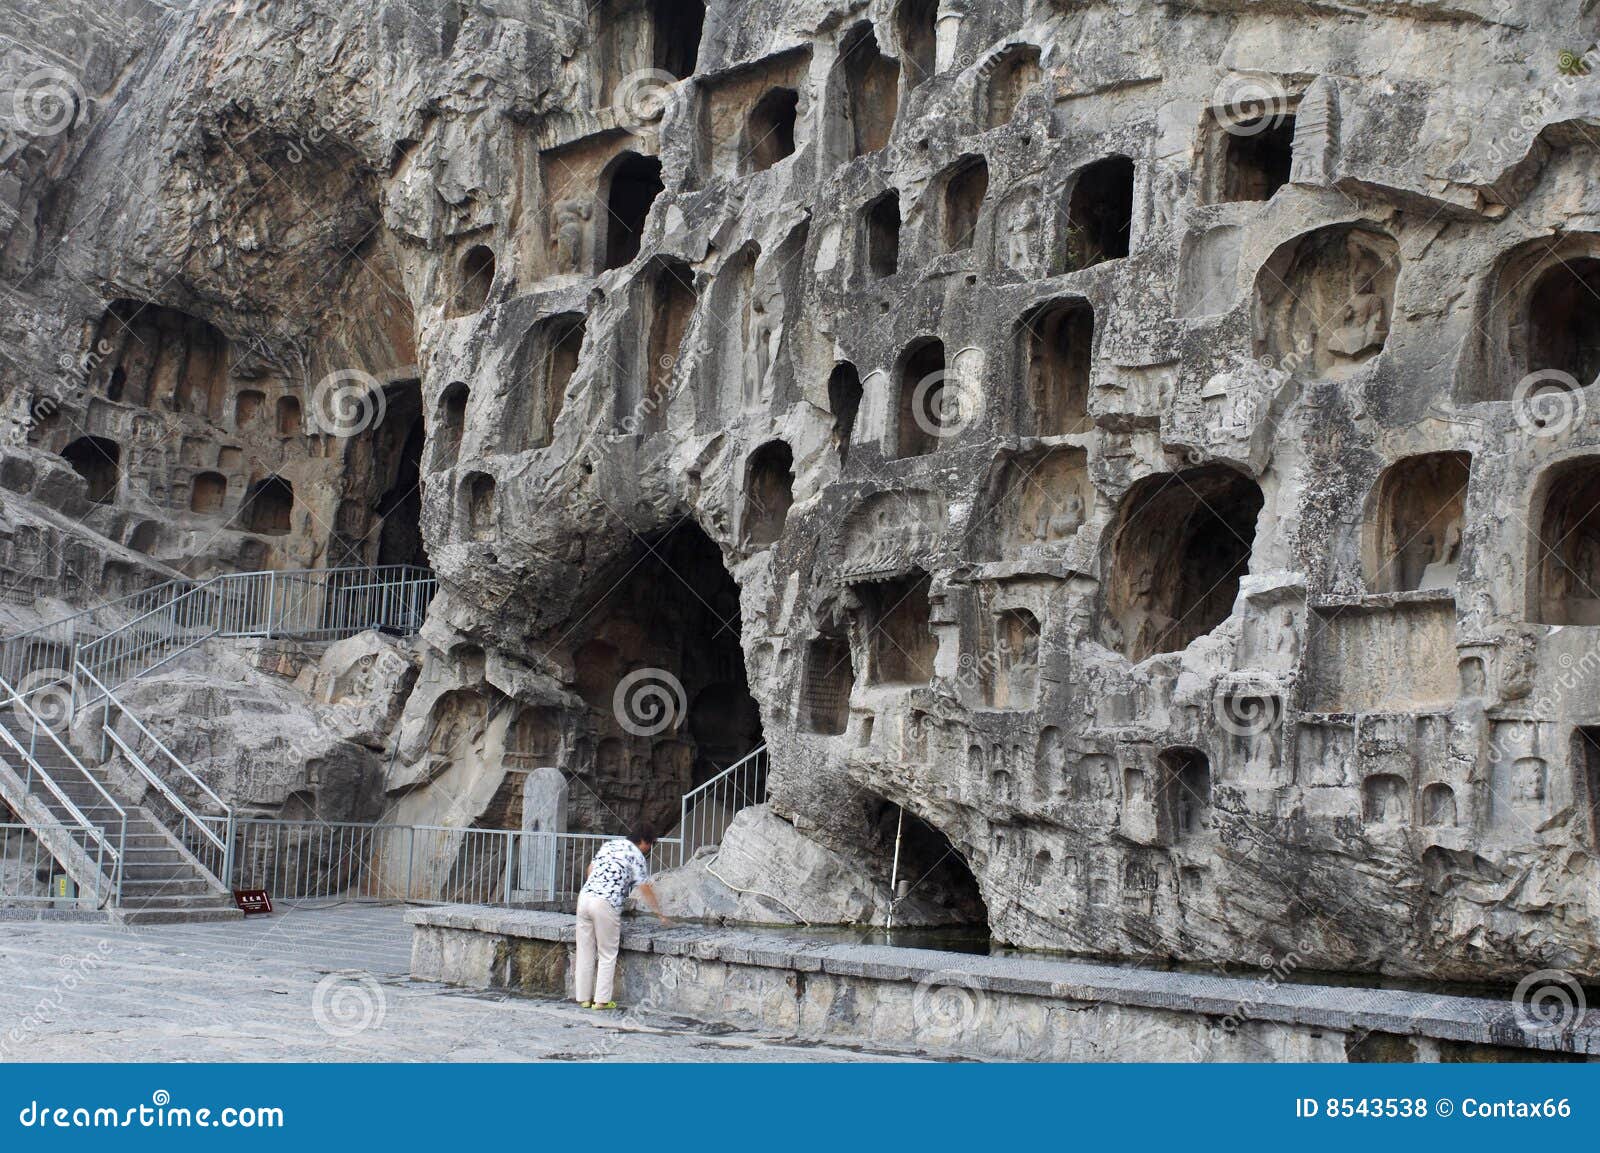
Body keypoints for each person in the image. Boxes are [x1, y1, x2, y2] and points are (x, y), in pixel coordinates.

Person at [574, 824, 670, 1009]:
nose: (649, 849)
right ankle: (601, 1001)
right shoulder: (637, 856)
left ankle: (583, 998)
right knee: (607, 953)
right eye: (649, 845)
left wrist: (595, 887)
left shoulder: (610, 845)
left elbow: (590, 868)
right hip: (605, 902)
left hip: (585, 898)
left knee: (585, 950)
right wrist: (659, 913)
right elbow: (644, 888)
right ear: (643, 841)